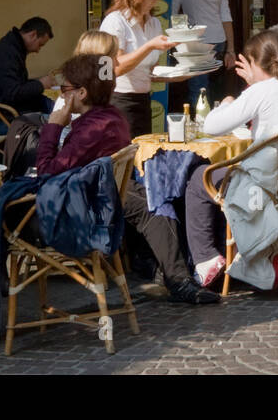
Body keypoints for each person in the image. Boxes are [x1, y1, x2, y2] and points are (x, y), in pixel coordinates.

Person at [33, 54, 219, 305]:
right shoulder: (113, 116)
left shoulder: (92, 128)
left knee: (153, 203)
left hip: (86, 202)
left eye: (65, 89)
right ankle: (173, 275)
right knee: (152, 202)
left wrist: (53, 126)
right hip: (105, 190)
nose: (62, 96)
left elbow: (46, 171)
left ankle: (176, 277)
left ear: (82, 93)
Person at [184, 31, 278, 289]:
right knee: (223, 174)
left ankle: (206, 260)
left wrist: (227, 101)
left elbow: (212, 126)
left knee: (198, 178)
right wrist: (254, 83)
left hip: (268, 187)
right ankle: (270, 252)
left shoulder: (260, 91)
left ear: (254, 63)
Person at [101, 0, 177, 137]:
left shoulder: (153, 23)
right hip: (118, 101)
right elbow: (115, 68)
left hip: (143, 100)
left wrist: (184, 71)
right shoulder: (115, 22)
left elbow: (151, 69)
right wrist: (149, 46)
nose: (155, 1)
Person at [172, 0, 236, 102]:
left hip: (195, 41)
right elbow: (226, 17)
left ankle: (200, 123)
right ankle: (218, 118)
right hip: (218, 39)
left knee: (198, 87)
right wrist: (231, 49)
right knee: (215, 85)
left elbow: (172, 13)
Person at [0, 17, 57, 128]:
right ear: (33, 35)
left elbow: (17, 84)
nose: (38, 50)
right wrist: (40, 84)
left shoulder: (15, 47)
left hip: (8, 113)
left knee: (52, 108)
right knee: (54, 123)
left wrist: (39, 84)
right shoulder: (8, 52)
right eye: (40, 45)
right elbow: (13, 92)